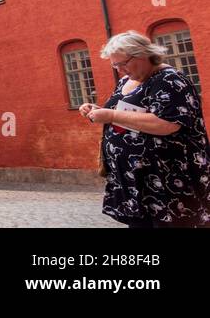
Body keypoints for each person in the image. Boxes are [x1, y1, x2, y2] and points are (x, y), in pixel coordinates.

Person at [79, 30, 210, 228]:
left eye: (123, 63)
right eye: (116, 65)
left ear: (141, 54)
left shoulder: (170, 80)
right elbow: (127, 114)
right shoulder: (126, 81)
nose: (120, 70)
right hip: (138, 185)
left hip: (168, 185)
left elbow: (167, 124)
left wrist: (112, 115)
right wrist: (98, 111)